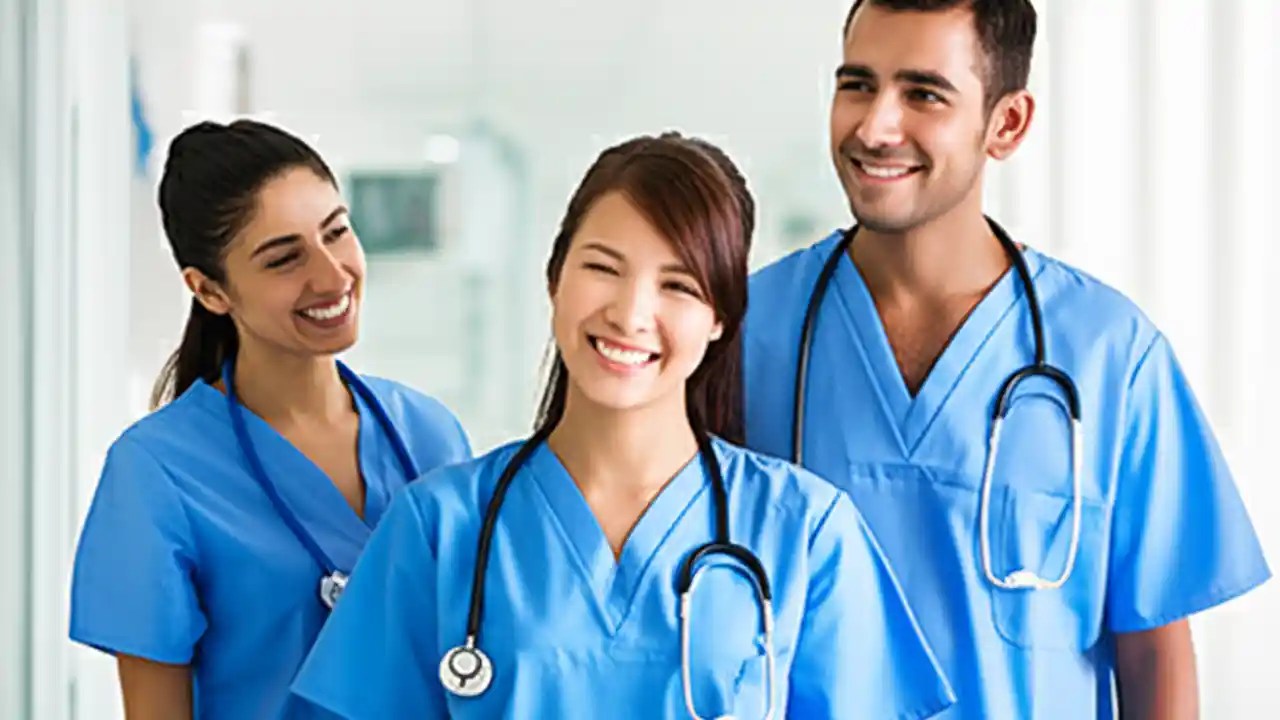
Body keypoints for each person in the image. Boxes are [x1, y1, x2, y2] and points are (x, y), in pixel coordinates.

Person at [289, 132, 955, 719]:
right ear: (555, 279)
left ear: (719, 319)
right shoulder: (441, 528)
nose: (632, 314)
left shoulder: (804, 531)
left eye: (679, 286)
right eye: (604, 269)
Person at [741, 1, 1271, 718]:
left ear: (1007, 124)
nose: (874, 127)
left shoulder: (1109, 354)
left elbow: (1153, 654)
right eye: (857, 84)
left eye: (923, 93)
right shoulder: (749, 333)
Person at [68, 119, 473, 719]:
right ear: (210, 291)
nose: (332, 275)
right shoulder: (156, 473)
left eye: (336, 232)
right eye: (285, 259)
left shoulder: (429, 435)